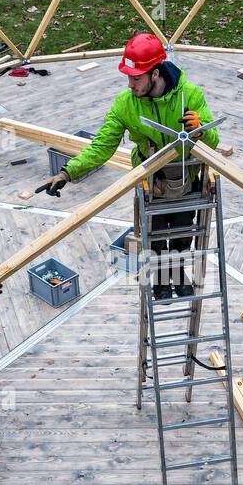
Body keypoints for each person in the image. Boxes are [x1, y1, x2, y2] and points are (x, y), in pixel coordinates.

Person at [38, 32, 219, 298]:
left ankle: (178, 273)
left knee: (183, 233)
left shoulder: (189, 95)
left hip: (186, 178)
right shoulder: (125, 105)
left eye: (136, 78)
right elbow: (102, 146)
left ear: (155, 73)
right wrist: (67, 172)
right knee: (154, 235)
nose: (130, 85)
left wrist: (201, 130)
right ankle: (160, 281)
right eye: (129, 78)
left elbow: (213, 143)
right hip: (151, 181)